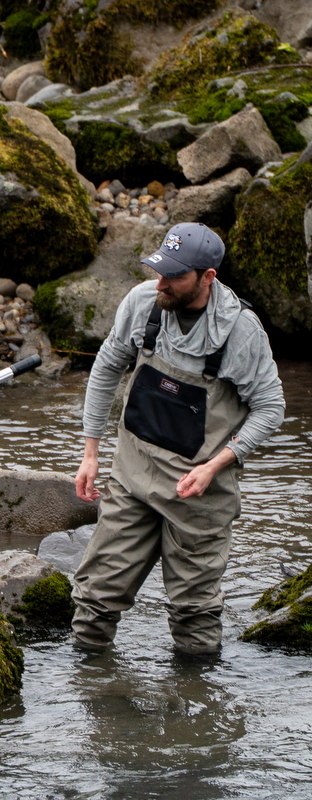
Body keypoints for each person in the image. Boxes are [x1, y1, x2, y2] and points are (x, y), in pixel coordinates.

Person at [72, 222, 285, 655]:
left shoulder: (241, 331)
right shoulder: (143, 303)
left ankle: (196, 693)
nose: (161, 283)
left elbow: (270, 408)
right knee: (93, 600)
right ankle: (89, 686)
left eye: (174, 275)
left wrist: (216, 465)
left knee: (194, 618)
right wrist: (90, 451)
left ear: (208, 277)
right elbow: (107, 365)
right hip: (132, 477)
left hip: (199, 493)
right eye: (159, 270)